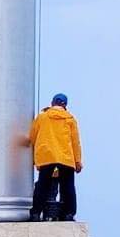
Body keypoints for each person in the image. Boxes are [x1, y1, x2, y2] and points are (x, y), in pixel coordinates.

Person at [26, 92, 82, 222]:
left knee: (42, 186)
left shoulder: (42, 117)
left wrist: (34, 154)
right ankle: (68, 214)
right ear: (65, 105)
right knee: (67, 187)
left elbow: (32, 136)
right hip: (66, 158)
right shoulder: (70, 120)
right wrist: (78, 161)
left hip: (47, 156)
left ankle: (35, 213)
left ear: (52, 103)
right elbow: (75, 142)